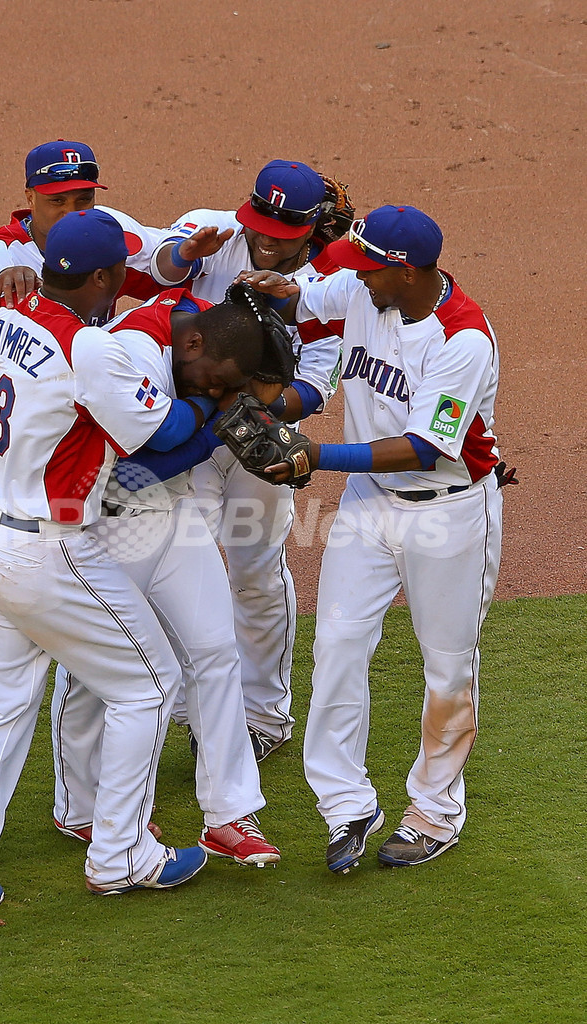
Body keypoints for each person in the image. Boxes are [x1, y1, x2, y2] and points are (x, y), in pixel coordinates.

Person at [0, 209, 211, 914]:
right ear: (105, 278)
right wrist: (213, 406)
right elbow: (163, 434)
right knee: (148, 683)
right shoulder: (90, 351)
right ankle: (122, 854)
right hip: (40, 550)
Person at [238, 205, 508, 871]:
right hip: (367, 504)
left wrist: (313, 456)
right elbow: (305, 296)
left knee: (447, 669)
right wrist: (278, 290)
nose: (356, 279)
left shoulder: (461, 340)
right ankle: (345, 804)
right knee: (336, 643)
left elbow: (420, 448)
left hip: (445, 512)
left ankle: (433, 813)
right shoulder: (364, 289)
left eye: (370, 269)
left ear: (407, 271)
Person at [0, 140, 163, 775]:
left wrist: (195, 246)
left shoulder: (99, 232)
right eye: (58, 201)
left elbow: (161, 257)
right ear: (29, 198)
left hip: (57, 440)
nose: (71, 209)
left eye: (83, 197)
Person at [52, 289, 281, 867]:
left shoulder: (199, 332)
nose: (213, 388)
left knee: (214, 649)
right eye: (216, 379)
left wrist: (226, 408)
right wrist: (217, 420)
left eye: (225, 386)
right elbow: (141, 463)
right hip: (103, 527)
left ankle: (228, 814)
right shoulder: (130, 348)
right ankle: (80, 807)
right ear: (194, 343)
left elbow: (189, 435)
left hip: (174, 516)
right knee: (89, 674)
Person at [147, 160, 348, 759]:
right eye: (258, 223)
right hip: (191, 438)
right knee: (181, 567)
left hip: (257, 441)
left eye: (281, 233)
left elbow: (317, 380)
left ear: (311, 229)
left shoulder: (331, 285)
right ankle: (189, 708)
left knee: (256, 573)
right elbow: (143, 269)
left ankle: (262, 714)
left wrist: (257, 407)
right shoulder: (212, 234)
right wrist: (183, 258)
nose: (263, 240)